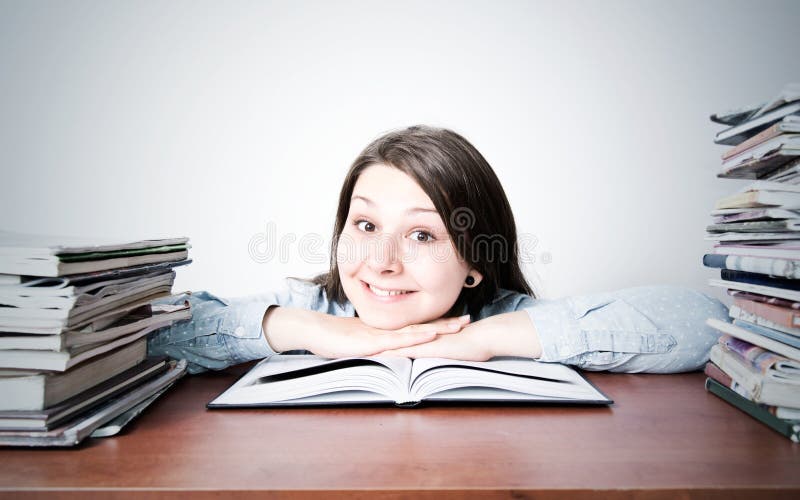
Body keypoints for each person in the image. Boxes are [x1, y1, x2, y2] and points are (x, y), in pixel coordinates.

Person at [148, 125, 729, 374]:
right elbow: (143, 337)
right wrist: (306, 330)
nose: (382, 262)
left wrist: (482, 341)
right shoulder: (314, 309)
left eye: (422, 234)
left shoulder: (506, 320)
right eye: (366, 226)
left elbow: (709, 323)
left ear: (475, 259)